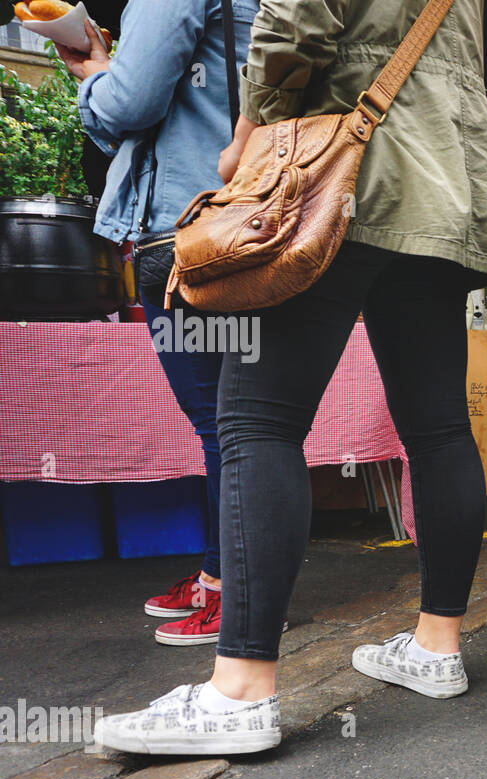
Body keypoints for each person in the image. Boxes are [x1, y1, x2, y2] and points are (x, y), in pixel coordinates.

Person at [94, 0, 487, 756]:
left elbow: (295, 25)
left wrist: (248, 138)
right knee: (439, 424)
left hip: (342, 166)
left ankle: (242, 690)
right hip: (448, 177)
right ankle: (437, 645)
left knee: (258, 420)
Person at [59, 1, 257, 646]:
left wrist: (92, 73)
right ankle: (220, 576)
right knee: (233, 422)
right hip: (242, 222)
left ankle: (243, 595)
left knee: (228, 426)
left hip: (184, 232)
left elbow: (127, 106)